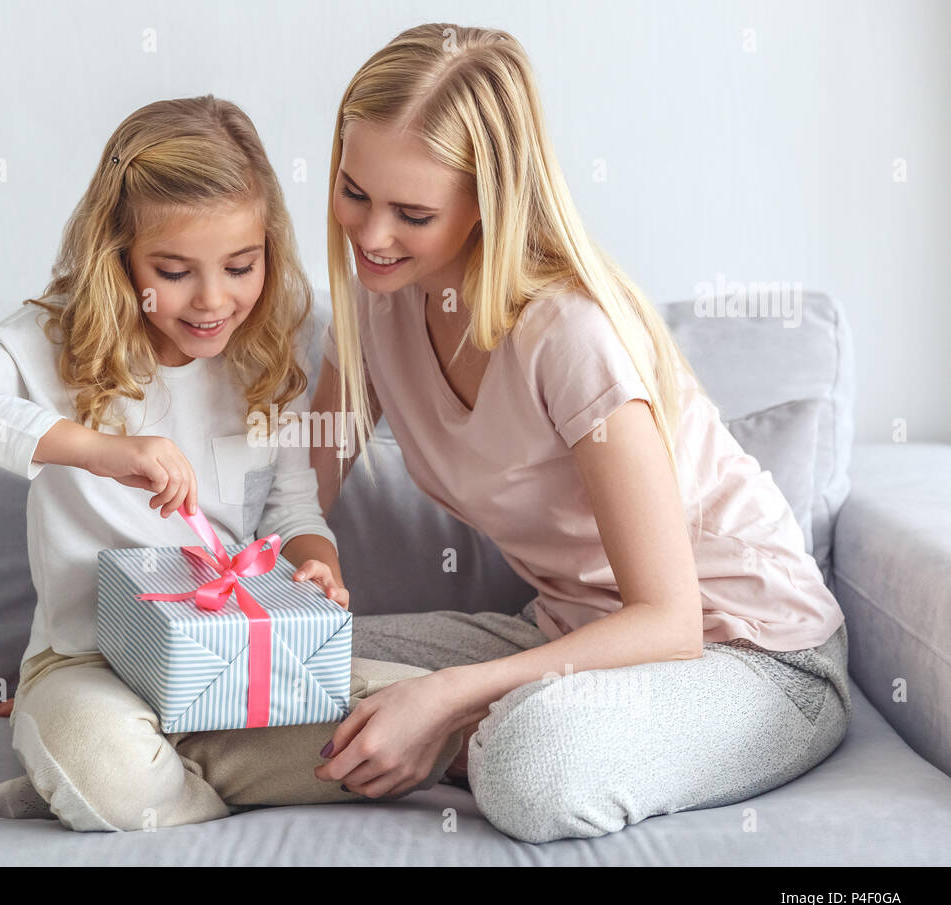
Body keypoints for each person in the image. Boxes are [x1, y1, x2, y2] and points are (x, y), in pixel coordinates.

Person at [308, 23, 852, 844]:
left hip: (749, 655)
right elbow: (287, 496)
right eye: (354, 192)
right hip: (570, 638)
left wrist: (450, 694)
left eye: (411, 213)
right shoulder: (378, 299)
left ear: (487, 204)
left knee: (533, 768)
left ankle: (481, 728)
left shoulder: (568, 334)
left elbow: (669, 620)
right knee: (294, 679)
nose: (370, 236)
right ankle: (480, 721)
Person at [0, 94, 462, 832]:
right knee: (106, 751)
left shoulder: (266, 353)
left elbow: (292, 511)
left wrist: (316, 565)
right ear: (119, 256)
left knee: (420, 721)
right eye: (175, 270)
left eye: (242, 266)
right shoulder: (52, 342)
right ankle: (106, 765)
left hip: (235, 667)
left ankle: (112, 778)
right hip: (90, 667)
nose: (214, 300)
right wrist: (96, 450)